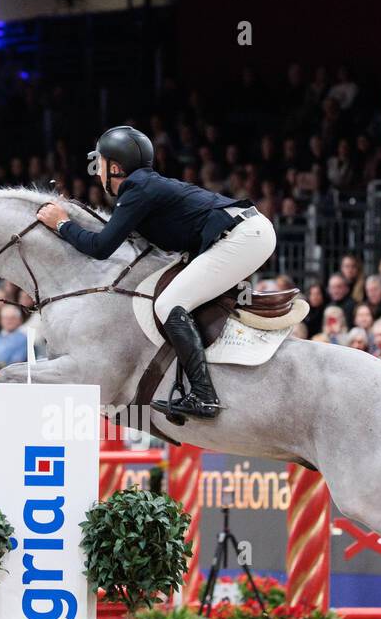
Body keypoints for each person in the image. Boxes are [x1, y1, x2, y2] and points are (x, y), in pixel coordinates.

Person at [35, 125, 275, 420]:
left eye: (101, 165)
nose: (97, 173)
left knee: (169, 304)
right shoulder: (143, 187)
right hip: (245, 232)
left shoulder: (137, 189)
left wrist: (61, 224)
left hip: (243, 236)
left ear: (116, 167)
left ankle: (204, 395)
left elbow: (100, 247)